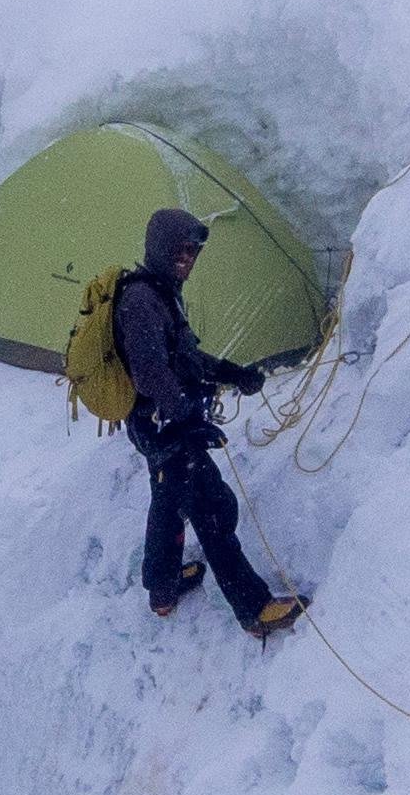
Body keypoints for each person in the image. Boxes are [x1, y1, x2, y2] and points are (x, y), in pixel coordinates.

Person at [116, 207, 306, 634]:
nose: (187, 259)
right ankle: (253, 609)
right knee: (213, 510)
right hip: (167, 426)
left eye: (192, 252)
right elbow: (149, 372)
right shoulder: (143, 300)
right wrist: (187, 418)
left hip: (159, 425)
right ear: (160, 251)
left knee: (168, 503)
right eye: (179, 251)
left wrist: (230, 372)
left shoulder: (160, 292)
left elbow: (181, 357)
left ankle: (162, 587)